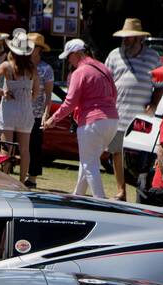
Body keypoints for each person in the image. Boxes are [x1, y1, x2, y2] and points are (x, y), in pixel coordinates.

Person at [45, 38, 118, 197]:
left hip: (92, 122)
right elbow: (114, 93)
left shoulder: (80, 72)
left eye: (69, 56)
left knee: (89, 163)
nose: (69, 61)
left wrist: (53, 119)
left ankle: (101, 201)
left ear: (77, 54)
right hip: (112, 121)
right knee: (88, 160)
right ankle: (78, 195)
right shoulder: (103, 68)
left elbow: (70, 102)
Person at [104, 18, 161, 201]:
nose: (125, 40)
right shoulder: (114, 55)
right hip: (117, 113)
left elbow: (159, 85)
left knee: (141, 157)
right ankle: (121, 191)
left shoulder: (153, 57)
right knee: (117, 153)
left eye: (129, 37)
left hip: (141, 118)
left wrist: (153, 105)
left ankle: (140, 190)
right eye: (124, 37)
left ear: (140, 39)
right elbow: (105, 82)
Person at [0, 29, 37, 186]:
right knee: (25, 150)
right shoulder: (32, 69)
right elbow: (36, 93)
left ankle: (4, 179)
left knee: (6, 147)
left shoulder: (6, 66)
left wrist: (2, 93)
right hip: (25, 110)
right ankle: (22, 181)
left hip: (9, 109)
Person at [28, 32, 54, 180]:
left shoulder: (46, 69)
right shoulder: (21, 64)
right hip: (20, 111)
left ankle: (32, 178)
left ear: (39, 49)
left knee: (34, 146)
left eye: (32, 46)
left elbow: (49, 94)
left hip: (36, 114)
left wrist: (46, 113)